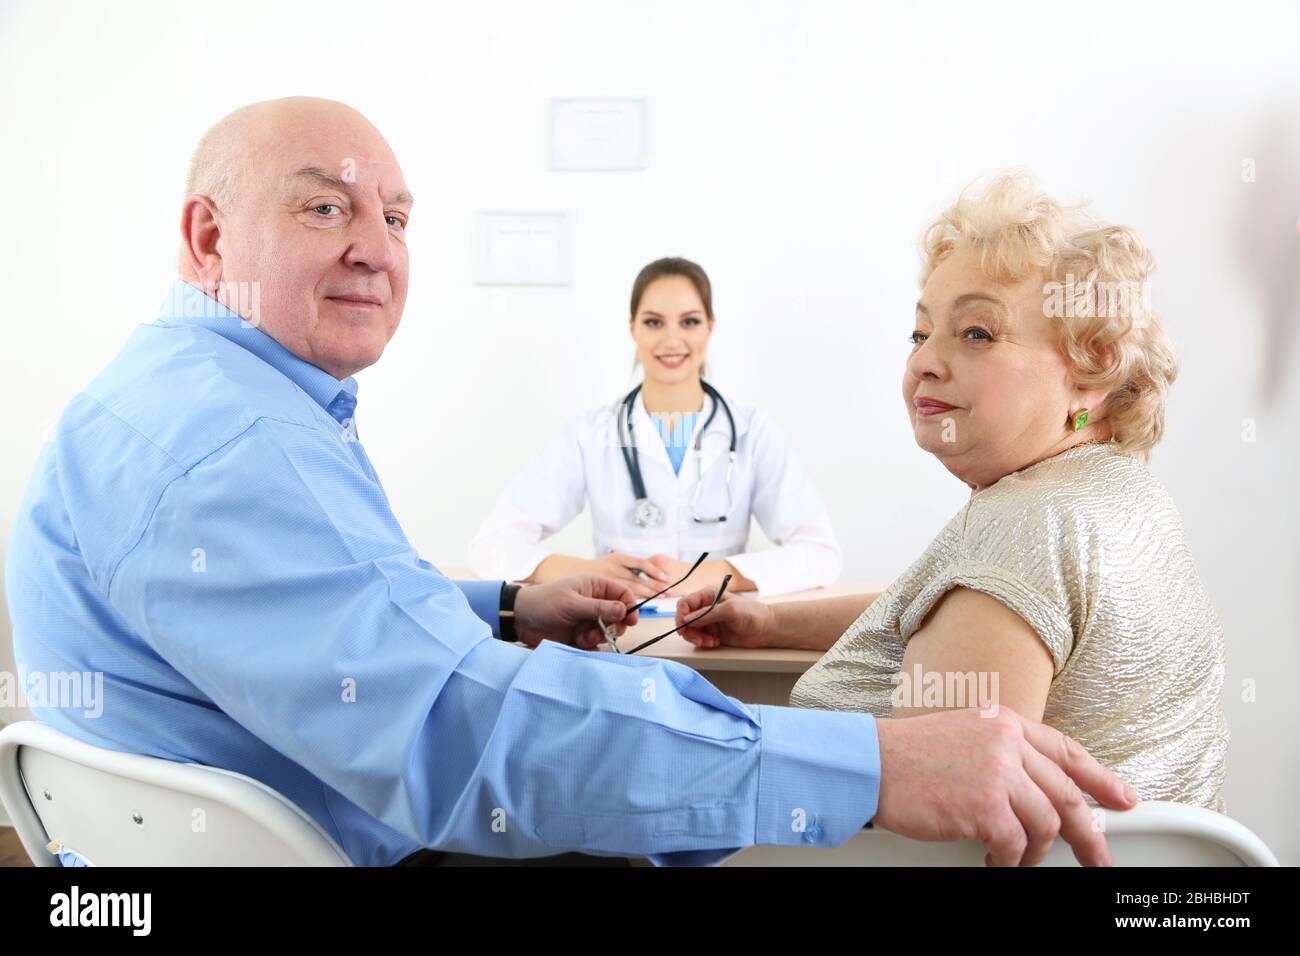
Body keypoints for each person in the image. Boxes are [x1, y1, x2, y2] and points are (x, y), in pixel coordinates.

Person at [5, 100, 1135, 869]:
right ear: (208, 235)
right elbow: (458, 727)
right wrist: (864, 760)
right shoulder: (238, 444)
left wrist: (501, 604)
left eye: (395, 218)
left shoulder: (184, 403)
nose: (377, 246)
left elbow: (327, 616)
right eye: (326, 207)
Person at [673, 174, 1228, 811]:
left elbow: (942, 823)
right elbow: (949, 609)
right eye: (921, 333)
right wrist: (770, 622)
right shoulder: (1115, 493)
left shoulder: (1025, 526)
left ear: (1092, 367)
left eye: (977, 333)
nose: (924, 362)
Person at [468, 257, 842, 599]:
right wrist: (587, 572)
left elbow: (820, 553)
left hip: (720, 628)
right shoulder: (589, 434)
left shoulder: (752, 431)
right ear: (633, 328)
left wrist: (711, 575)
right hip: (619, 630)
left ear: (709, 327)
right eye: (653, 322)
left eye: (690, 321)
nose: (672, 339)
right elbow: (491, 547)